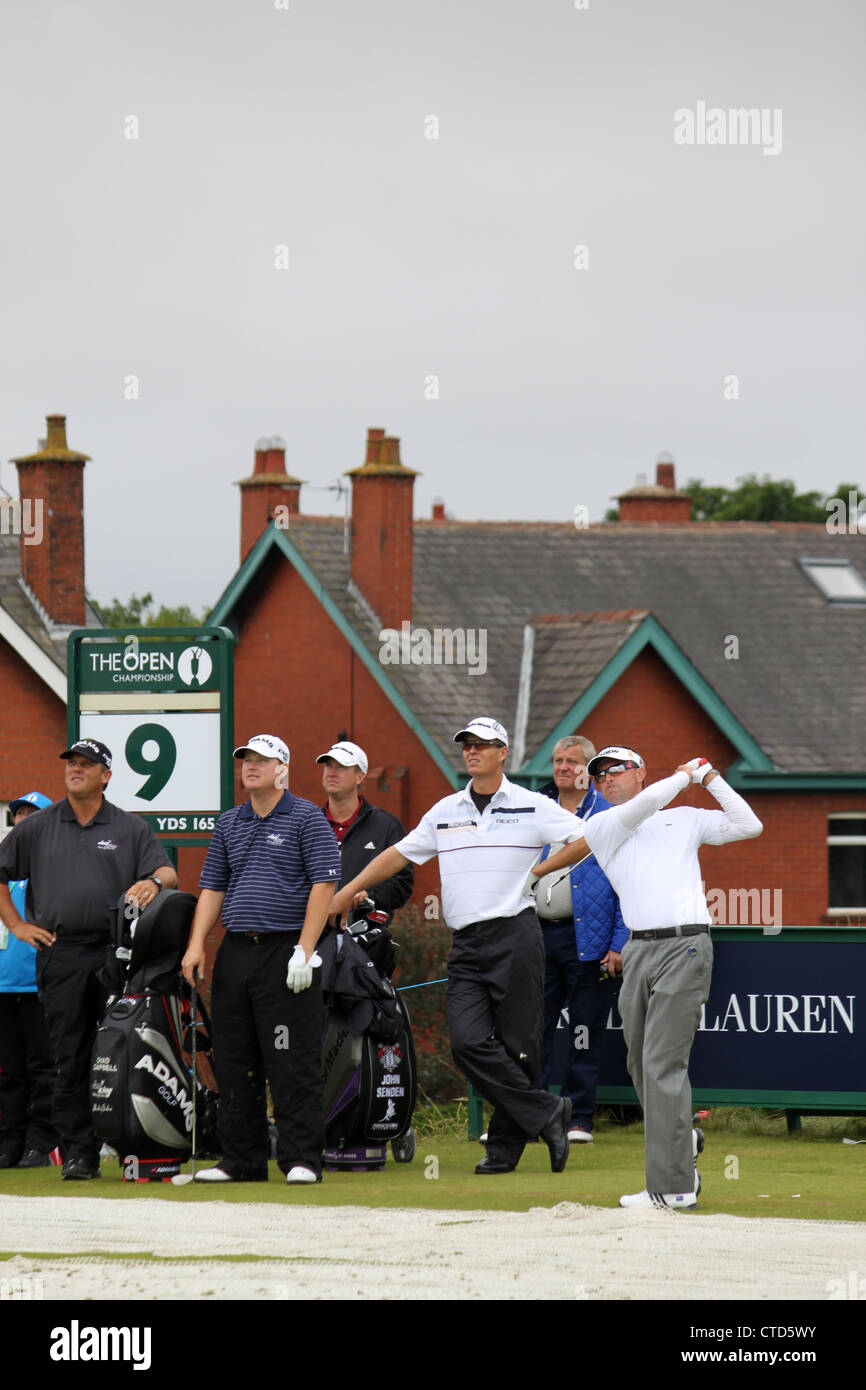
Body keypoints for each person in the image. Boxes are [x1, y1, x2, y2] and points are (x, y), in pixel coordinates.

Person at [329, 716, 594, 1176]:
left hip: (515, 934)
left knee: (520, 1048)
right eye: (467, 744)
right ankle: (547, 1110)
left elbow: (587, 839)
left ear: (502, 752)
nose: (472, 750)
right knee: (467, 1043)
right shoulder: (445, 810)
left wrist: (539, 871)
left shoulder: (533, 804)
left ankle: (505, 1149)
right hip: (467, 941)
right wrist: (349, 888)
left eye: (482, 744)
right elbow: (399, 855)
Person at [534, 746, 762, 1209]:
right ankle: (682, 1142)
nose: (606, 779)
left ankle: (673, 1188)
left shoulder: (685, 819)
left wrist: (709, 777)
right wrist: (683, 776)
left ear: (641, 772)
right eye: (599, 775)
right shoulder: (602, 825)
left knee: (661, 1064)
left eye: (616, 770)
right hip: (638, 949)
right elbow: (646, 805)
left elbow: (748, 824)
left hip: (686, 944)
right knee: (641, 1065)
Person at [0, 740, 177, 1179]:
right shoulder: (38, 826)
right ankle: (80, 1153)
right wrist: (17, 925)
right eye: (72, 764)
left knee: (119, 1048)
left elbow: (168, 871)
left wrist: (153, 882)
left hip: (115, 952)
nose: (76, 770)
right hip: (60, 953)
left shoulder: (128, 827)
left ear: (106, 775)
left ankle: (129, 1142)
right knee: (69, 1054)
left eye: (87, 764)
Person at [181, 734, 340, 1185]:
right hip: (236, 951)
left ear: (282, 769)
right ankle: (241, 1161)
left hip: (286, 950)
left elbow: (324, 885)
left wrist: (305, 949)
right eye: (246, 759)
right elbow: (213, 887)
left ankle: (301, 1158)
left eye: (261, 760)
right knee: (234, 1058)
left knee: (290, 1058)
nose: (250, 766)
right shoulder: (229, 822)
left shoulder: (306, 817)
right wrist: (196, 944)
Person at [535, 737, 627, 1144]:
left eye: (572, 761)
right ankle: (531, 1116)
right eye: (557, 760)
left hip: (589, 939)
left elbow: (627, 883)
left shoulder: (608, 815)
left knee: (583, 1032)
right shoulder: (534, 808)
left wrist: (619, 942)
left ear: (588, 770)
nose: (563, 767)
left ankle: (578, 1119)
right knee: (532, 1031)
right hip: (537, 936)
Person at [0, 791, 59, 1168]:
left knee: (43, 1067)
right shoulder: (4, 868)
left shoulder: (53, 868)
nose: (25, 819)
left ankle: (42, 1142)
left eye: (33, 814)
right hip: (4, 986)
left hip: (41, 984)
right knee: (9, 1070)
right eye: (20, 813)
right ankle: (10, 1140)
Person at [317, 741, 413, 920]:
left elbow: (402, 884)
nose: (331, 772)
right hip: (311, 931)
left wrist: (367, 896)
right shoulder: (309, 824)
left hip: (364, 931)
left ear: (359, 777)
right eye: (328, 766)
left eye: (341, 767)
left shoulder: (387, 825)